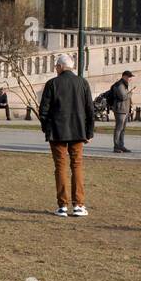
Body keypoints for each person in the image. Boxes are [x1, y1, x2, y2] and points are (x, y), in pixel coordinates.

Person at [38, 52, 95, 217]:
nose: (56, 69)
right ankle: (79, 204)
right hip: (78, 131)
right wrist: (89, 132)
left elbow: (44, 110)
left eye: (56, 66)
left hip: (57, 131)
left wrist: (46, 128)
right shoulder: (82, 83)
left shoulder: (52, 83)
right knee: (76, 166)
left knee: (60, 167)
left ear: (60, 67)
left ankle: (63, 205)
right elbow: (90, 110)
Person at [110, 70, 133, 154]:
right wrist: (131, 93)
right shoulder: (120, 85)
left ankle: (121, 145)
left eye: (131, 77)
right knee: (118, 128)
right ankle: (116, 147)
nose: (130, 78)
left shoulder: (124, 84)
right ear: (124, 76)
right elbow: (123, 96)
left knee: (122, 129)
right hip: (120, 110)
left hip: (124, 109)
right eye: (129, 77)